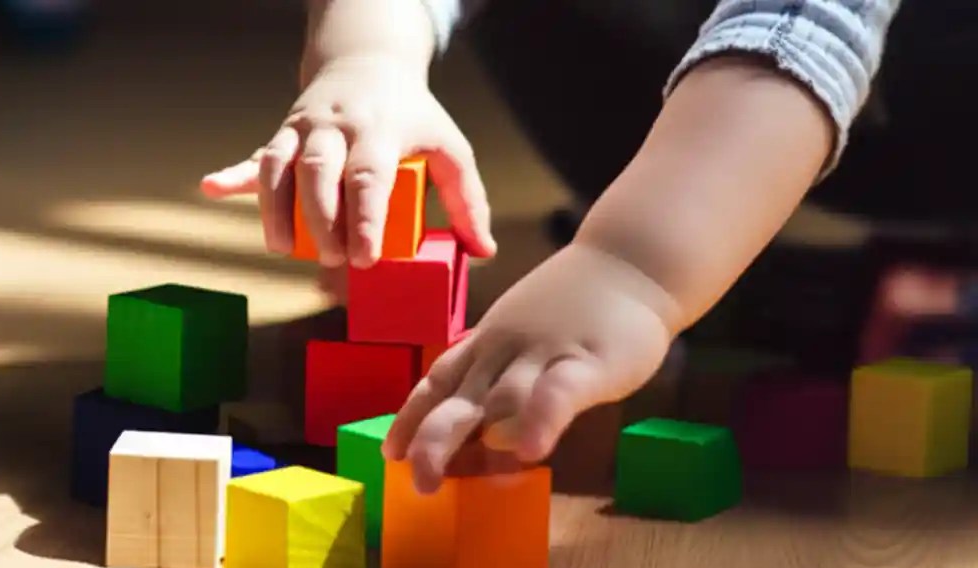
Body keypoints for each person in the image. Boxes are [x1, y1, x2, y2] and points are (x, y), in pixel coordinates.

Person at [200, 0, 899, 493]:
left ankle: (675, 248)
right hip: (652, 119)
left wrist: (631, 270)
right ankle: (675, 247)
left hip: (916, 128)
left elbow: (805, 28)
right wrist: (366, 61)